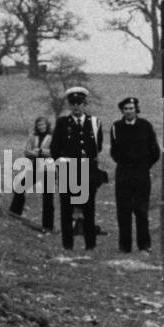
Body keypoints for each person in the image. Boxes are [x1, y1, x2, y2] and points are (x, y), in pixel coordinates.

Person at [50, 86, 104, 252]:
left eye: (79, 103)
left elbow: (98, 147)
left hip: (87, 170)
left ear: (84, 104)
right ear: (69, 105)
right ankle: (68, 244)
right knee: (66, 209)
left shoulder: (94, 123)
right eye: (72, 103)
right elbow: (54, 149)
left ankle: (90, 244)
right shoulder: (62, 123)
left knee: (88, 208)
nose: (76, 107)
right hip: (68, 170)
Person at [110, 96, 161, 253]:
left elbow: (155, 151)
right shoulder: (116, 127)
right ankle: (124, 246)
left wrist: (145, 166)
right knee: (123, 211)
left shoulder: (145, 126)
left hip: (141, 174)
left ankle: (144, 245)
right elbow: (114, 151)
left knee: (141, 210)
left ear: (136, 109)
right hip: (123, 173)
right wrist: (125, 163)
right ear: (122, 111)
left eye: (131, 108)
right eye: (126, 109)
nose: (129, 111)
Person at [10, 116, 56, 232]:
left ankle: (48, 226)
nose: (41, 127)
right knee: (20, 187)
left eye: (43, 124)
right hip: (35, 168)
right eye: (39, 125)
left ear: (47, 125)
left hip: (49, 170)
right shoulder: (32, 137)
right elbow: (26, 152)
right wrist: (36, 154)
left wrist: (40, 152)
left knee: (47, 198)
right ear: (37, 126)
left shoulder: (53, 137)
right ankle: (14, 213)